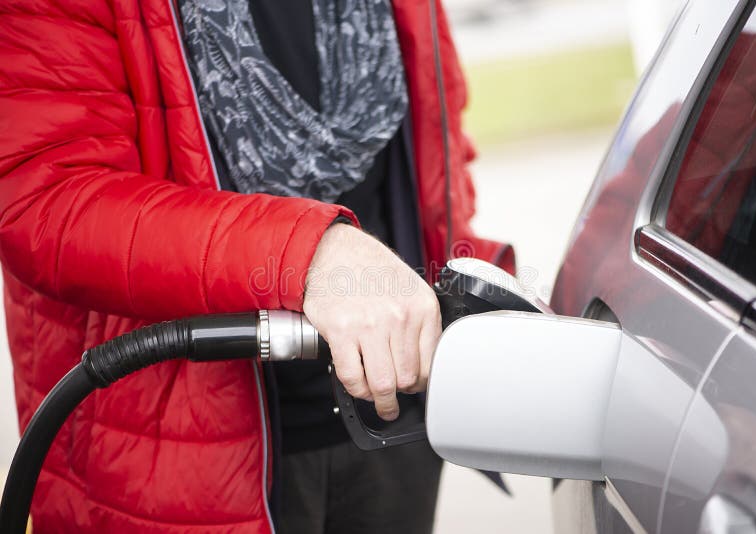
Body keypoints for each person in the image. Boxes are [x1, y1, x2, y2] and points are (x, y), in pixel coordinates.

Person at [0, 0, 514, 532]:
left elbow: (433, 130)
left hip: (395, 419)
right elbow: (45, 199)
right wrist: (310, 253)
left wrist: (471, 270)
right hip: (175, 457)